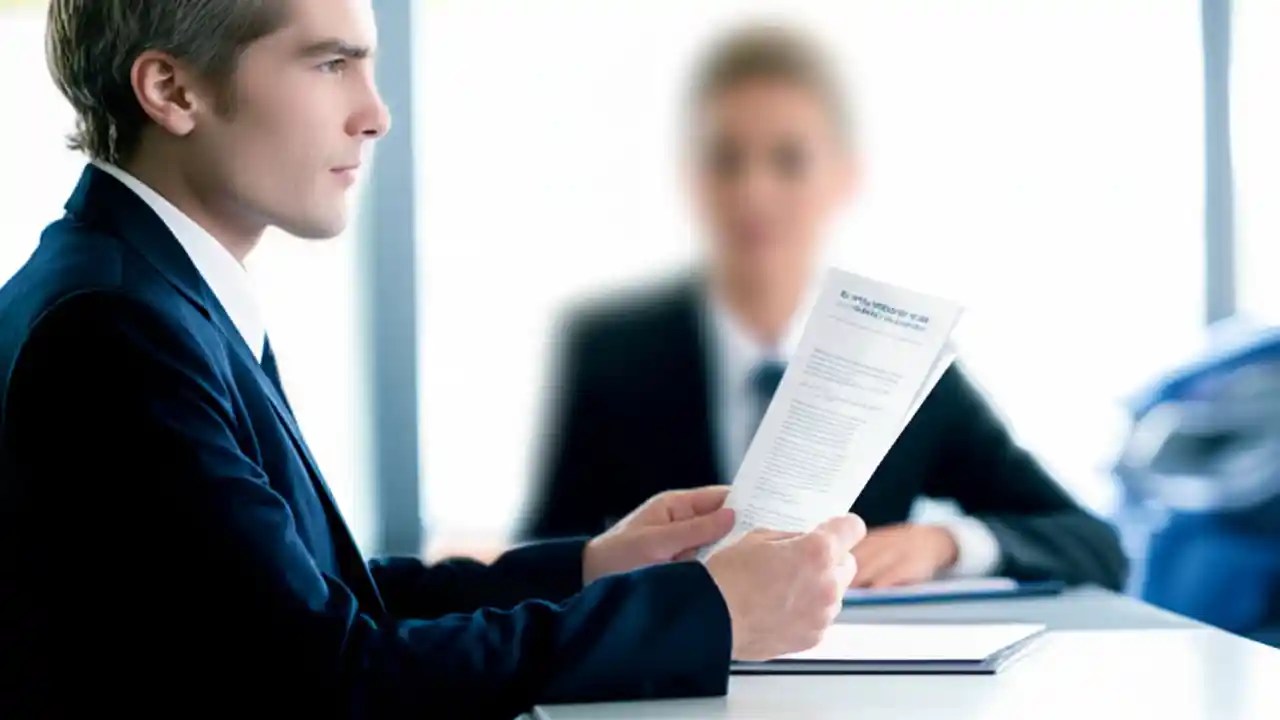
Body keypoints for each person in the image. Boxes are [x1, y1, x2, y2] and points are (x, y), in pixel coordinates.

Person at [0, 2, 866, 716]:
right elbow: (332, 676)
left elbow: (312, 605)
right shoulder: (115, 330)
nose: (374, 113)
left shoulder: (142, 290)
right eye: (329, 64)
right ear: (171, 88)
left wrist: (594, 566)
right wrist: (712, 614)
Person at [522, 24, 1127, 591]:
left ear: (844, 176)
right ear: (690, 176)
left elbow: (1095, 546)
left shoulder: (904, 359)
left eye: (789, 161)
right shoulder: (612, 352)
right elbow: (550, 559)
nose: (754, 190)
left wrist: (943, 542)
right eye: (725, 160)